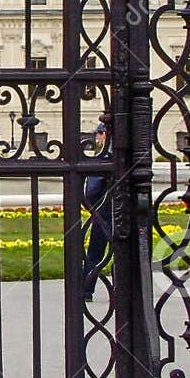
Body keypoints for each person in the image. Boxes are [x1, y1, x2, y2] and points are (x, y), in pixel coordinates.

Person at [81, 114, 114, 302]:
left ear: (104, 135)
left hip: (104, 211)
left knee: (95, 253)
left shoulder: (103, 157)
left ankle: (86, 290)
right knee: (123, 252)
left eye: (98, 134)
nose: (96, 138)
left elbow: (92, 190)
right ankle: (122, 291)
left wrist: (92, 207)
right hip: (125, 211)